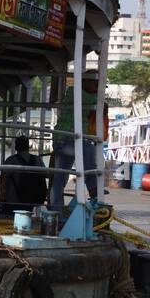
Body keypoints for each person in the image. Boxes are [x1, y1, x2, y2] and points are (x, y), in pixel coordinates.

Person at [48, 77, 101, 211]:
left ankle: (56, 210)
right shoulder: (74, 92)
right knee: (88, 150)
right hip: (65, 140)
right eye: (94, 83)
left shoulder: (84, 95)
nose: (96, 87)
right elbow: (97, 101)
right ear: (84, 82)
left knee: (61, 177)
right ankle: (93, 187)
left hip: (71, 140)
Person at [0, 135, 47, 215]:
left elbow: (3, 180)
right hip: (31, 199)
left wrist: (2, 197)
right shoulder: (37, 160)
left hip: (13, 201)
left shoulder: (11, 160)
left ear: (16, 147)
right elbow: (45, 175)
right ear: (28, 146)